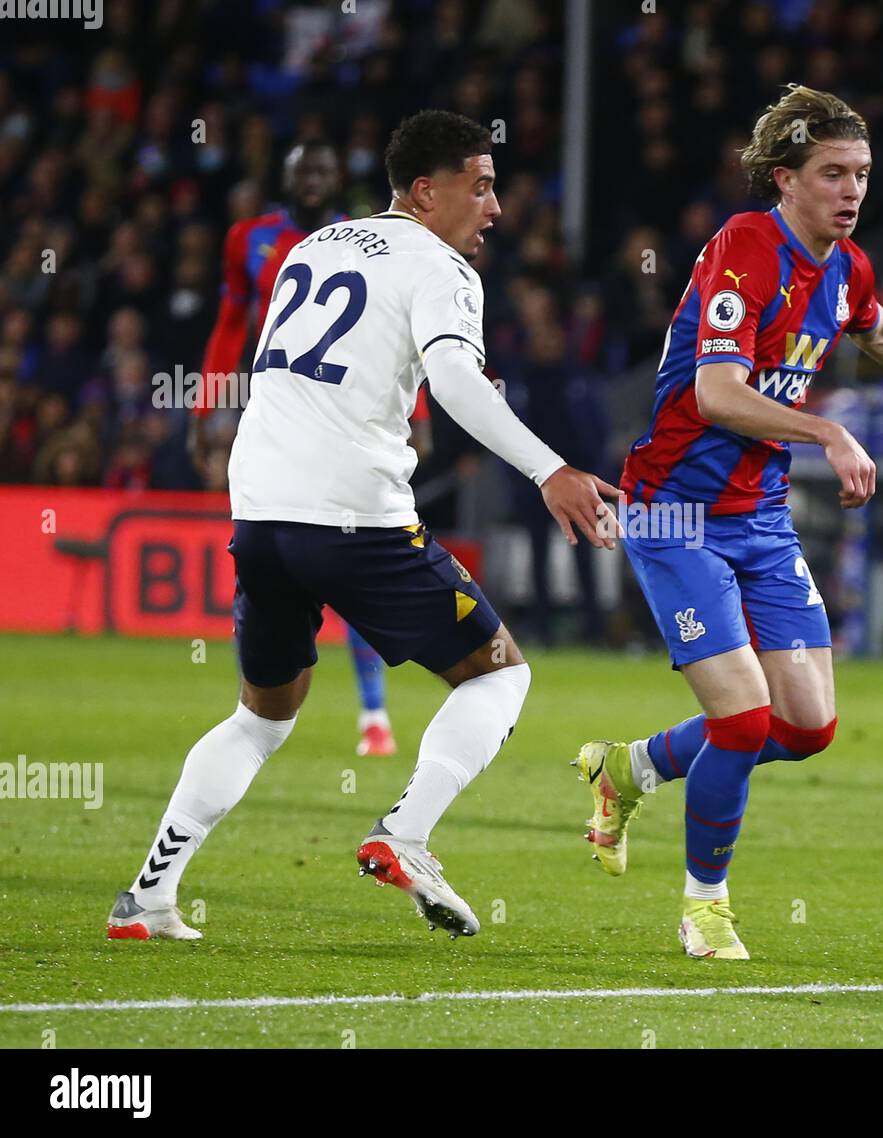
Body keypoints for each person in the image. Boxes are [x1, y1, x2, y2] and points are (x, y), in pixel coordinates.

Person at [107, 110, 619, 941]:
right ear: (426, 192)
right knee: (499, 675)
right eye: (480, 187)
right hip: (353, 514)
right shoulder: (441, 266)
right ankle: (404, 834)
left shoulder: (313, 249)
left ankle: (147, 898)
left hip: (262, 510)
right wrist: (549, 469)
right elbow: (452, 380)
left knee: (263, 716)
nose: (495, 207)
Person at [573, 85, 883, 960]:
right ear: (786, 177)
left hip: (759, 514)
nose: (853, 191)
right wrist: (828, 431)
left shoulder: (846, 266)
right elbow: (715, 394)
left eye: (862, 174)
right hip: (674, 510)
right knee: (742, 721)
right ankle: (706, 907)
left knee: (806, 727)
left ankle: (633, 766)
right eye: (833, 174)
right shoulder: (746, 248)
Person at [191, 141, 402, 758]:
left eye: (323, 170)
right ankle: (256, 710)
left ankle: (374, 713)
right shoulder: (248, 240)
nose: (312, 180)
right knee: (262, 564)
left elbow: (392, 332)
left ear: (339, 177)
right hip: (273, 419)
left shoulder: (366, 241)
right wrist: (206, 407)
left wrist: (414, 413)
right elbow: (231, 325)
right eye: (302, 170)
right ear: (284, 178)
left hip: (346, 421)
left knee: (356, 559)